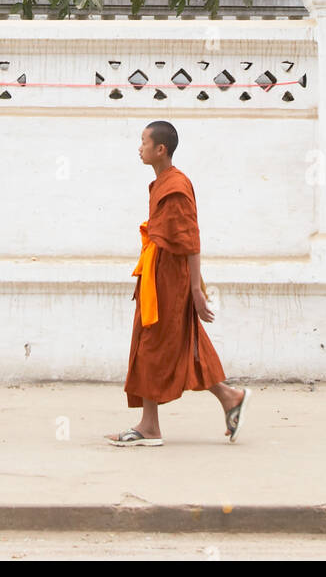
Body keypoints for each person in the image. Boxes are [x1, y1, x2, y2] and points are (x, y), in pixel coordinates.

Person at [106, 120, 250, 447]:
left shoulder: (176, 185)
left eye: (143, 142)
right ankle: (230, 397)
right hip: (158, 272)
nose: (139, 148)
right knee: (182, 342)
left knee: (151, 342)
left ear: (160, 149)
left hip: (170, 278)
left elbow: (190, 239)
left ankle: (149, 427)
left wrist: (196, 290)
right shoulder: (160, 183)